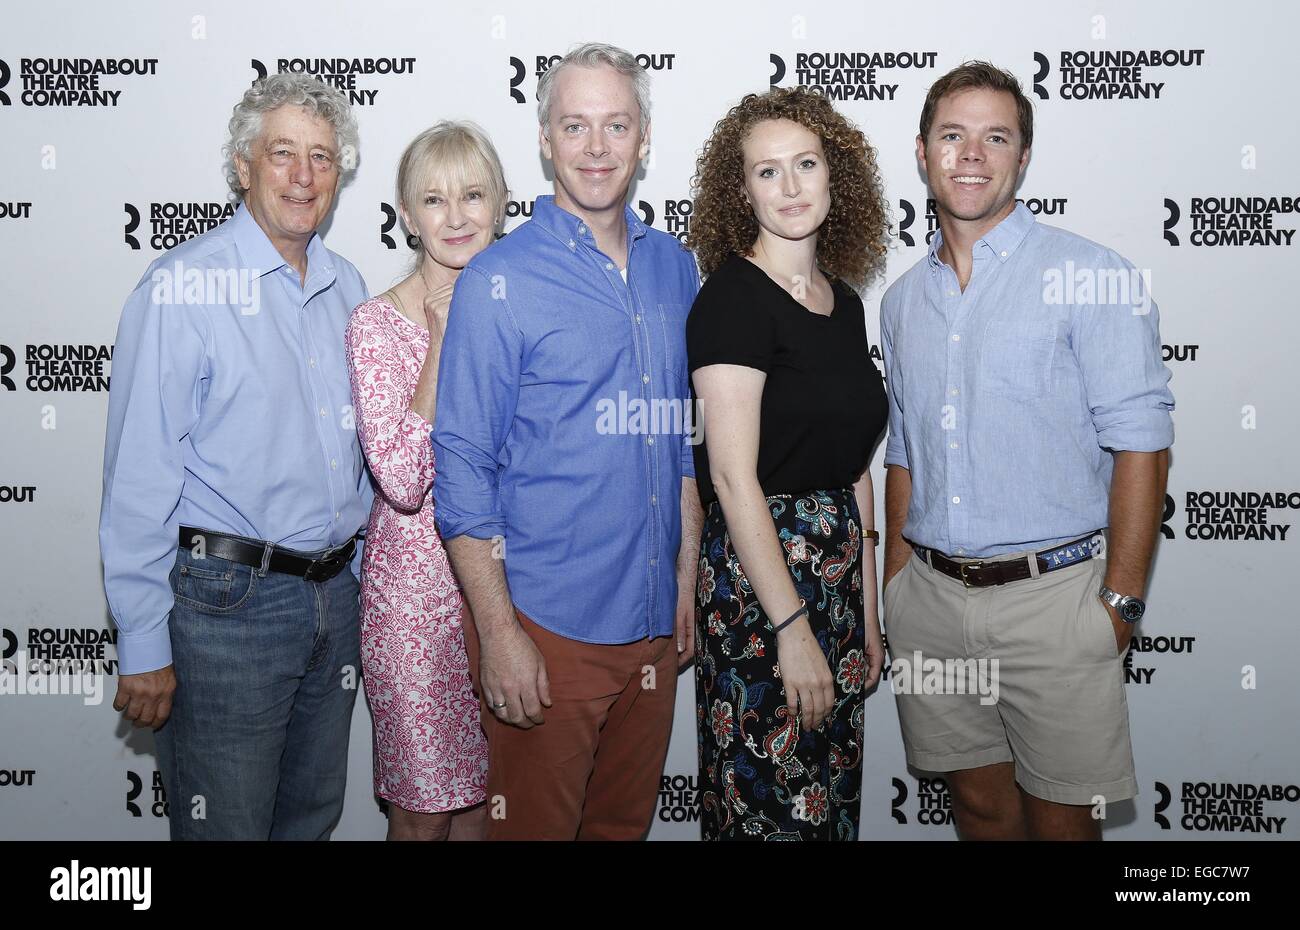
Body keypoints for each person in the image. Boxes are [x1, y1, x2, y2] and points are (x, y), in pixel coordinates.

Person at [880, 61, 1173, 840]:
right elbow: (904, 448)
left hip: (1057, 604)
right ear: (922, 152)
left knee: (1063, 824)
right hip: (932, 608)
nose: (971, 154)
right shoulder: (903, 300)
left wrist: (1120, 604)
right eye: (953, 135)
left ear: (1023, 156)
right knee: (977, 806)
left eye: (995, 136)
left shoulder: (1091, 277)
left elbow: (1142, 443)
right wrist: (897, 589)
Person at [431, 42, 700, 841]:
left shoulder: (675, 268)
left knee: (622, 830)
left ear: (644, 137)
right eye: (574, 126)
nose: (596, 147)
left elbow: (681, 442)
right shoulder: (497, 279)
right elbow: (462, 465)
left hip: (653, 623)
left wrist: (683, 581)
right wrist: (502, 634)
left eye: (615, 124)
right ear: (544, 138)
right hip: (548, 627)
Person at [100, 73, 371, 840]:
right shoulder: (183, 288)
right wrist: (143, 642)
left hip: (333, 598)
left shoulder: (348, 286)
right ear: (243, 165)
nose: (303, 175)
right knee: (227, 829)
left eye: (321, 157)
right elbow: (138, 479)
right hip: (228, 607)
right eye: (281, 152)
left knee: (309, 822)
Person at [686, 85, 890, 841]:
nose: (791, 186)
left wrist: (865, 616)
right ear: (741, 191)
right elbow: (733, 480)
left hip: (837, 589)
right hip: (761, 593)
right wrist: (793, 626)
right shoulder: (732, 301)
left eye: (805, 164)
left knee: (828, 808)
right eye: (767, 172)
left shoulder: (845, 302)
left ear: (836, 176)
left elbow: (855, 470)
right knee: (768, 814)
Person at [345, 122, 506, 841]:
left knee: (482, 807)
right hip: (414, 611)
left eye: (473, 195)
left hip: (506, 599)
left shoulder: (517, 313)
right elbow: (404, 479)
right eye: (434, 200)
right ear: (407, 216)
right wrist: (442, 341)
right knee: (422, 813)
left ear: (501, 205)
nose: (457, 216)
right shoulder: (375, 324)